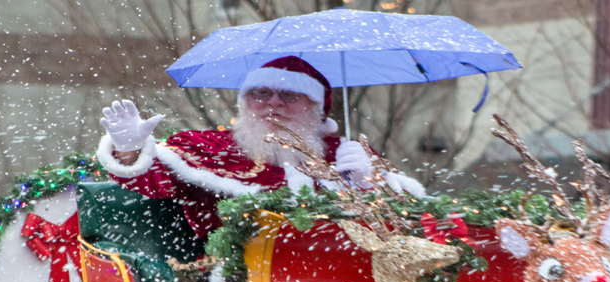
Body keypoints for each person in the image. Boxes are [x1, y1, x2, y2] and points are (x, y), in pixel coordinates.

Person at [95, 55, 426, 240]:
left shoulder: (345, 153)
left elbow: (408, 220)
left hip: (343, 273)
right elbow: (152, 180)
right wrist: (130, 149)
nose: (274, 104)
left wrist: (370, 183)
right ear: (245, 103)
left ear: (316, 109)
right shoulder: (212, 147)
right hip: (243, 279)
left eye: (290, 96)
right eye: (261, 94)